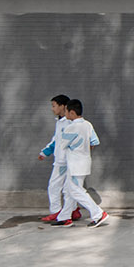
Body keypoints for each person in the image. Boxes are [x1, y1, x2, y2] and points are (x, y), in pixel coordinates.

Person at [55, 99, 108, 228]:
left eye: (66, 110)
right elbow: (94, 142)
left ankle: (98, 213)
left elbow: (62, 145)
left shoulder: (71, 127)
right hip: (84, 162)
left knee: (75, 191)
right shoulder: (87, 125)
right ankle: (64, 217)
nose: (65, 113)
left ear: (72, 113)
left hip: (74, 165)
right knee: (69, 190)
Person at [37, 94, 79, 224]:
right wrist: (45, 152)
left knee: (56, 186)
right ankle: (73, 210)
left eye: (54, 105)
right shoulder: (60, 122)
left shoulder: (69, 122)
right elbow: (56, 140)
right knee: (68, 187)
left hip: (65, 161)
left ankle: (57, 211)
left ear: (63, 106)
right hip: (63, 160)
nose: (52, 109)